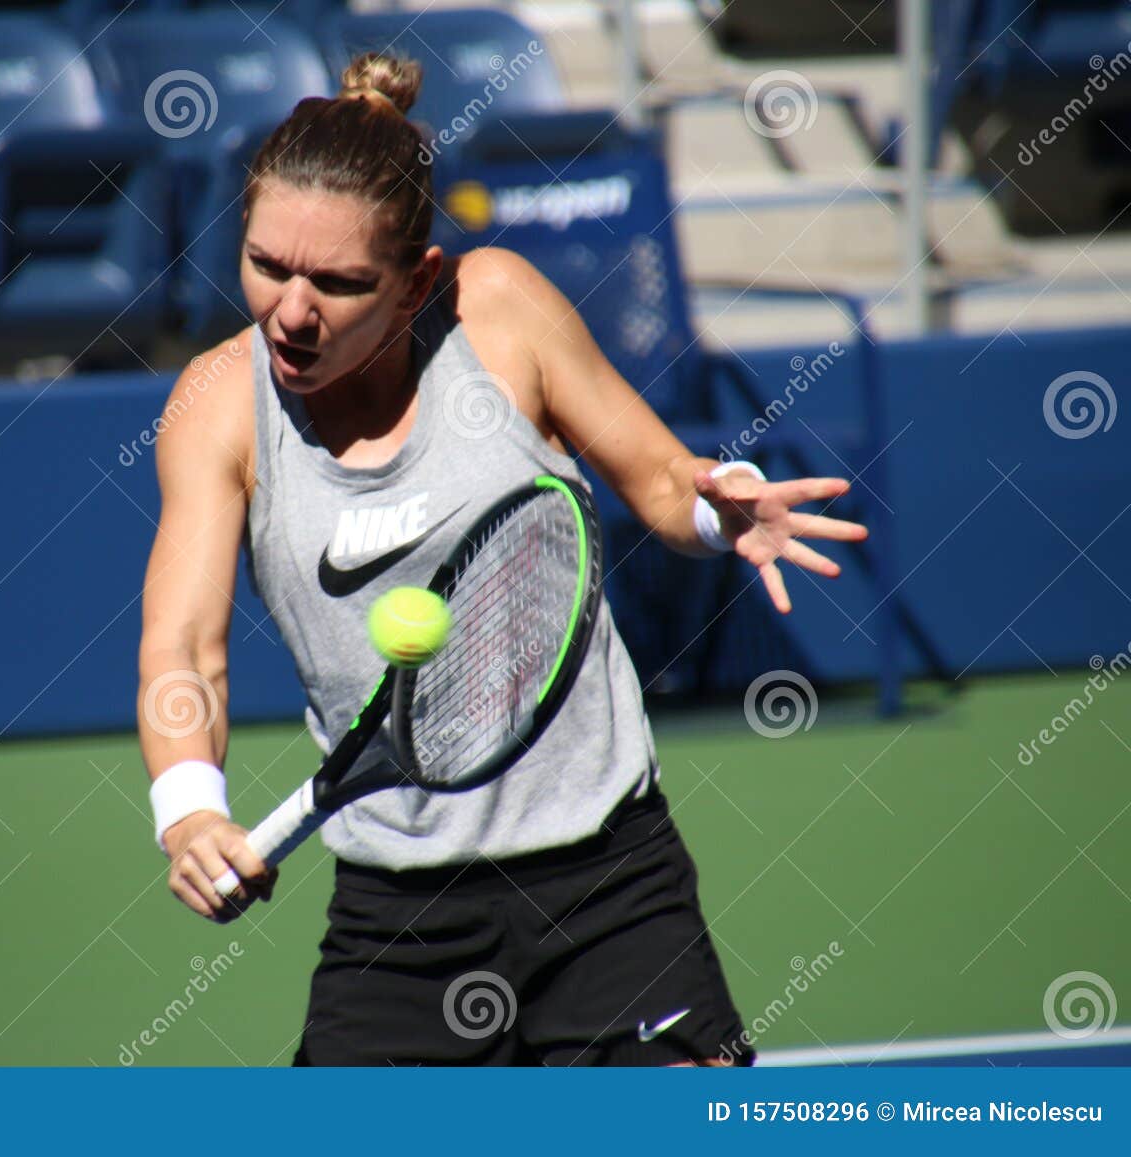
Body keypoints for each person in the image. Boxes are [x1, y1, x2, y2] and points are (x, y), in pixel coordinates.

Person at [135, 51, 868, 1066]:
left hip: (611, 890)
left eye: (340, 282)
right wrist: (189, 808)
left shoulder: (499, 310)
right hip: (396, 920)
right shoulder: (218, 403)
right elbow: (183, 643)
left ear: (414, 284)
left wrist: (716, 516)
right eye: (267, 264)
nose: (291, 312)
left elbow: (659, 479)